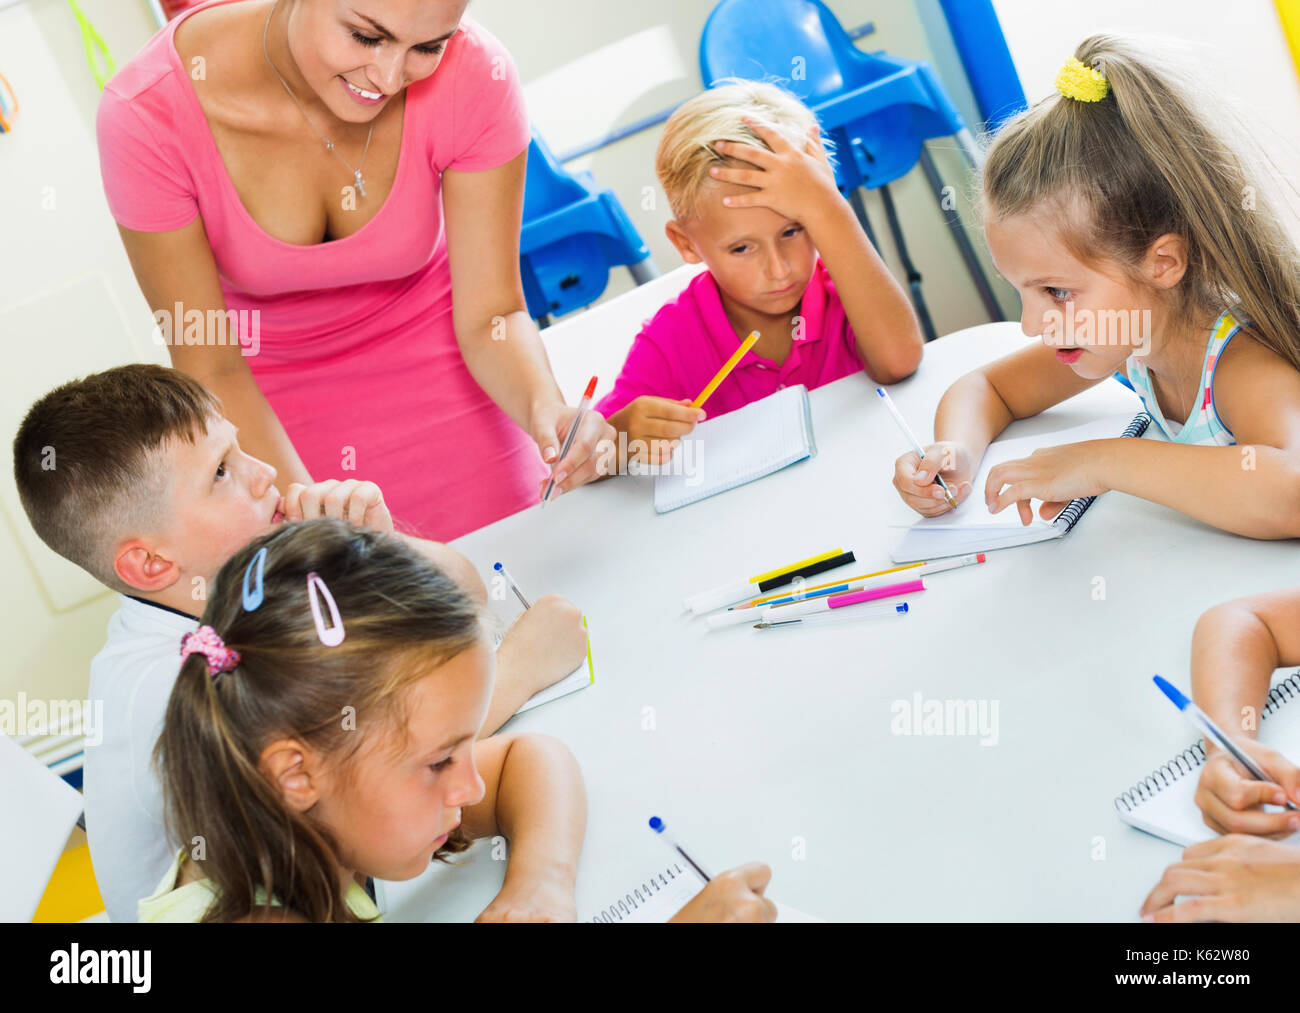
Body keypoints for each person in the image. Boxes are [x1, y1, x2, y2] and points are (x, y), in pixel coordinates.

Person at [12, 363, 588, 921]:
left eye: (239, 449)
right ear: (150, 562)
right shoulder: (171, 682)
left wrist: (375, 545)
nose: (263, 471)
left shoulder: (242, 588)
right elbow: (379, 762)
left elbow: (464, 600)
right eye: (220, 472)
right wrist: (518, 666)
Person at [96, 0, 614, 541]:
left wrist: (546, 409)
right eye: (366, 37)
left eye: (427, 47)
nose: (388, 77)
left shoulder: (475, 70)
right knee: (366, 609)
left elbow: (493, 316)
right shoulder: (146, 114)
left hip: (456, 379)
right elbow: (210, 362)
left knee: (522, 578)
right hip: (270, 426)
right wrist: (316, 525)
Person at [892, 37, 1300, 539]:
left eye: (1056, 292)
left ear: (1163, 264)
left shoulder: (1243, 363)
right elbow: (988, 388)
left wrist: (1104, 461)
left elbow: (1290, 493)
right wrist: (954, 454)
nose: (1031, 324)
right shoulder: (1131, 334)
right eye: (1021, 291)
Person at [596, 81, 922, 464]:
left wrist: (827, 206)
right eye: (742, 248)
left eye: (793, 230)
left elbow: (898, 361)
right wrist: (619, 439)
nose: (779, 269)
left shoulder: (847, 294)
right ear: (685, 244)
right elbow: (580, 466)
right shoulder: (670, 342)